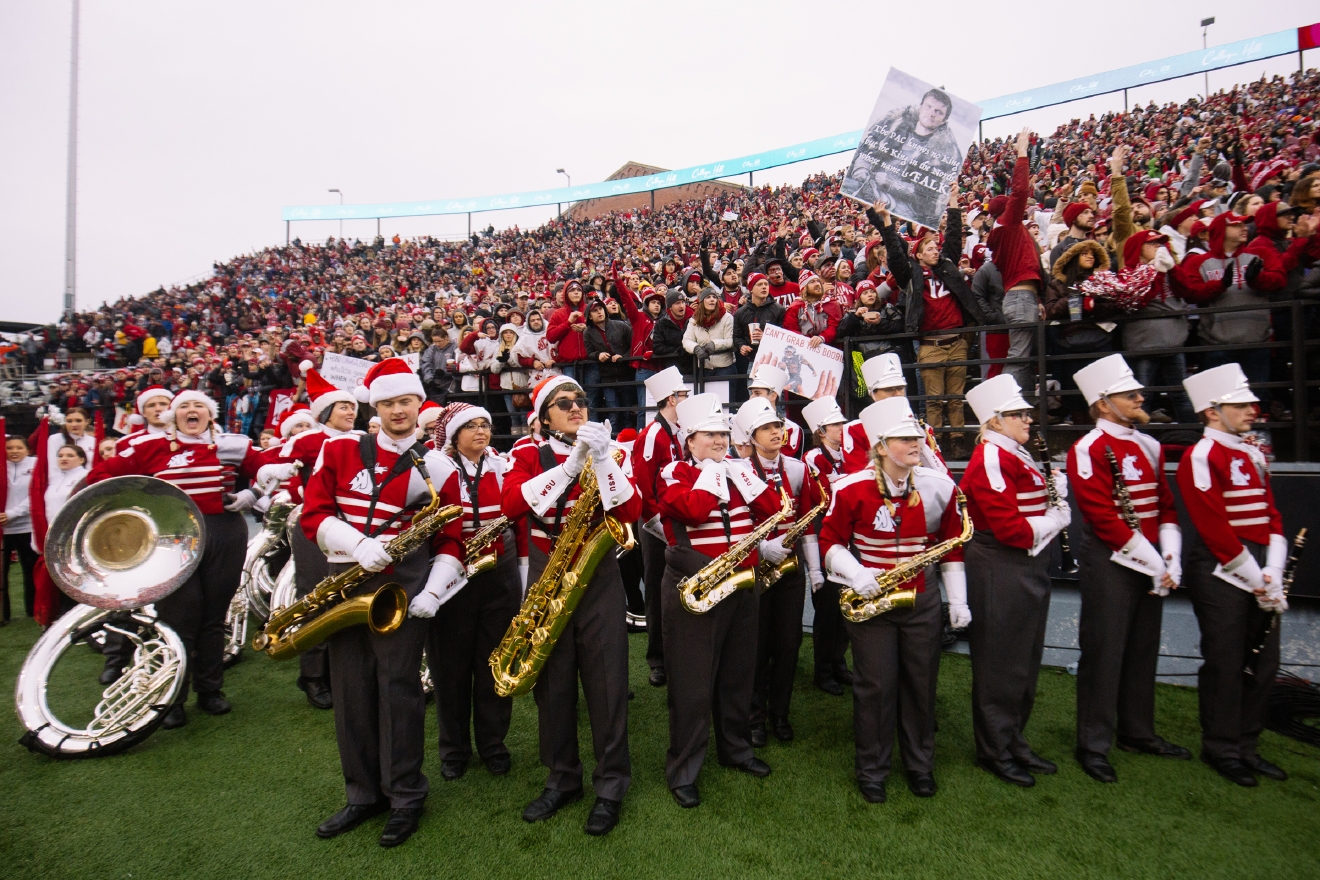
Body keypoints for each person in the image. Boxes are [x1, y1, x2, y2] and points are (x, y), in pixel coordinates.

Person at [300, 358, 464, 848]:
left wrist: (434, 590)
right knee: (350, 690)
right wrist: (356, 545)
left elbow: (452, 542)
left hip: (404, 587)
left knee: (399, 692)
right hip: (346, 583)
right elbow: (315, 513)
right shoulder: (342, 448)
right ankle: (362, 793)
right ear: (377, 404)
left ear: (419, 405)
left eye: (405, 402)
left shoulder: (437, 466)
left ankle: (406, 795)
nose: (397, 410)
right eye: (388, 403)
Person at [501, 375, 642, 837]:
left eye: (580, 400)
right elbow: (511, 505)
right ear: (544, 417)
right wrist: (569, 466)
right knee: (554, 687)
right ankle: (562, 778)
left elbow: (630, 511)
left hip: (598, 578)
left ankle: (611, 784)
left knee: (608, 683)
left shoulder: (611, 451)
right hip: (548, 573)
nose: (576, 407)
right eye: (563, 403)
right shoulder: (527, 453)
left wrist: (602, 458)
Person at [819, 397, 967, 804]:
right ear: (882, 446)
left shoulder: (939, 486)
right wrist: (856, 572)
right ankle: (872, 770)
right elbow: (830, 541)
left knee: (922, 683)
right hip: (872, 602)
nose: (916, 442)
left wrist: (957, 601)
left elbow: (952, 545)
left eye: (916, 435)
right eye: (905, 438)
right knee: (875, 686)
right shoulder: (850, 488)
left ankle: (920, 765)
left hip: (921, 599)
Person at [87, 389, 264, 727]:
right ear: (172, 415)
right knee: (179, 617)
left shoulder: (231, 443)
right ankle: (173, 696)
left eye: (200, 405)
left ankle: (210, 690)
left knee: (214, 616)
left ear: (211, 415)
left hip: (223, 531)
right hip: (173, 536)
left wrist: (252, 492)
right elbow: (101, 477)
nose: (192, 410)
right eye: (184, 406)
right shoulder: (148, 447)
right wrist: (138, 509)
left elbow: (275, 466)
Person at [1066, 354, 1188, 784]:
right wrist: (1156, 562)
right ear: (1103, 403)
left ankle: (1138, 731)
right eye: (1128, 394)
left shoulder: (1150, 445)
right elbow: (1102, 516)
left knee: (1142, 646)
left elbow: (1166, 507)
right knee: (1105, 649)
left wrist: (1168, 557)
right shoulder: (1087, 448)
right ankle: (1093, 742)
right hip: (1111, 560)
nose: (1140, 398)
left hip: (1151, 558)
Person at [655, 393, 780, 808]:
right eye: (709, 435)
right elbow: (692, 510)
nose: (720, 441)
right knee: (692, 685)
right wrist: (714, 473)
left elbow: (773, 507)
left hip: (743, 585)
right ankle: (684, 768)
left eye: (724, 434)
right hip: (697, 588)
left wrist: (743, 476)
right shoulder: (673, 471)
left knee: (737, 675)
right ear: (689, 440)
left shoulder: (739, 470)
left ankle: (737, 750)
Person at [1177, 365, 1290, 787]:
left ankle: (1248, 745)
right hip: (1221, 567)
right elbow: (1214, 528)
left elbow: (1272, 516)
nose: (1252, 411)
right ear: (1212, 411)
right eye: (1241, 405)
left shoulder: (1253, 452)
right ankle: (1221, 747)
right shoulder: (1202, 456)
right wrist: (1257, 577)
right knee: (1225, 662)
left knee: (1263, 662)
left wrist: (1274, 571)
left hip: (1262, 564)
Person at [961, 375, 1069, 787]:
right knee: (1000, 664)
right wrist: (1055, 519)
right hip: (1001, 565)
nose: (1028, 418)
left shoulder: (1017, 453)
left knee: (1024, 660)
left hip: (1026, 563)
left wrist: (1052, 492)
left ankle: (1014, 740)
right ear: (995, 420)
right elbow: (1011, 530)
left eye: (1026, 411)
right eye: (1018, 414)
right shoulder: (991, 457)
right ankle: (995, 749)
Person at [252, 364, 360, 710]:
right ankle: (312, 674)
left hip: (353, 529)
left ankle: (341, 671)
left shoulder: (361, 440)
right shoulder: (308, 438)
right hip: (315, 527)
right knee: (315, 599)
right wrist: (274, 471)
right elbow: (266, 463)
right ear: (326, 412)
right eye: (343, 406)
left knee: (346, 600)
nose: (350, 411)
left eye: (352, 406)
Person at [424, 403, 521, 782]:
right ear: (452, 434)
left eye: (485, 424)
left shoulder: (502, 463)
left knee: (494, 659)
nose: (481, 432)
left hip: (499, 569)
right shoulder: (435, 466)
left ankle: (493, 744)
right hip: (451, 572)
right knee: (449, 666)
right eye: (471, 426)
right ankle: (453, 749)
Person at [871, 186, 982, 459]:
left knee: (955, 398)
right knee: (933, 400)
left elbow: (955, 239)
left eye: (937, 247)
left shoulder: (946, 267)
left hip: (956, 342)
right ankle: (936, 443)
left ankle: (957, 441)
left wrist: (953, 203)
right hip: (930, 344)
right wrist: (887, 222)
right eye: (930, 247)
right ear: (918, 254)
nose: (936, 250)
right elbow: (896, 256)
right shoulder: (912, 275)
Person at [736, 396, 819, 746]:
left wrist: (815, 571)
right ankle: (753, 718)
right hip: (755, 568)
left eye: (778, 426)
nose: (776, 432)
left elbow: (809, 520)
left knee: (788, 644)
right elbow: (734, 528)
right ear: (751, 436)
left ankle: (780, 713)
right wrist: (760, 549)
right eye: (767, 428)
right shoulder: (736, 470)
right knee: (755, 644)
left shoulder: (799, 470)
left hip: (790, 568)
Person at [629, 367, 689, 688]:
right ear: (670, 398)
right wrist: (660, 528)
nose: (686, 401)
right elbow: (644, 486)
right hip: (655, 524)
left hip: (670, 520)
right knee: (655, 588)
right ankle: (657, 660)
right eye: (683, 396)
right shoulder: (653, 434)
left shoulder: (677, 430)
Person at [800, 396, 851, 696]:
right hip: (824, 532)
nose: (841, 428)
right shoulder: (813, 458)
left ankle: (839, 661)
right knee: (828, 606)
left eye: (842, 423)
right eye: (835, 424)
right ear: (821, 431)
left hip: (847, 531)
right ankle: (823, 670)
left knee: (844, 602)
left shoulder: (849, 454)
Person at [841, 353, 946, 474]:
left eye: (900, 388)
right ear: (873, 394)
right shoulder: (854, 430)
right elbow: (856, 477)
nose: (897, 394)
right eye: (889, 389)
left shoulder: (923, 428)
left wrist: (923, 449)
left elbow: (944, 476)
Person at [3, 435, 37, 623]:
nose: (14, 451)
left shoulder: (35, 464)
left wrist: (13, 513)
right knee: (2, 573)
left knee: (30, 569)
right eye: (9, 448)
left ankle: (33, 610)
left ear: (27, 450)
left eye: (18, 448)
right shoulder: (1, 466)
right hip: (3, 528)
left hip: (26, 525)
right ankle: (3, 613)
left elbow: (35, 492)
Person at [746, 365, 803, 459]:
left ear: (773, 396)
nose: (751, 398)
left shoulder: (790, 428)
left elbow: (785, 463)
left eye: (757, 393)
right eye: (751, 393)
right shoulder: (742, 424)